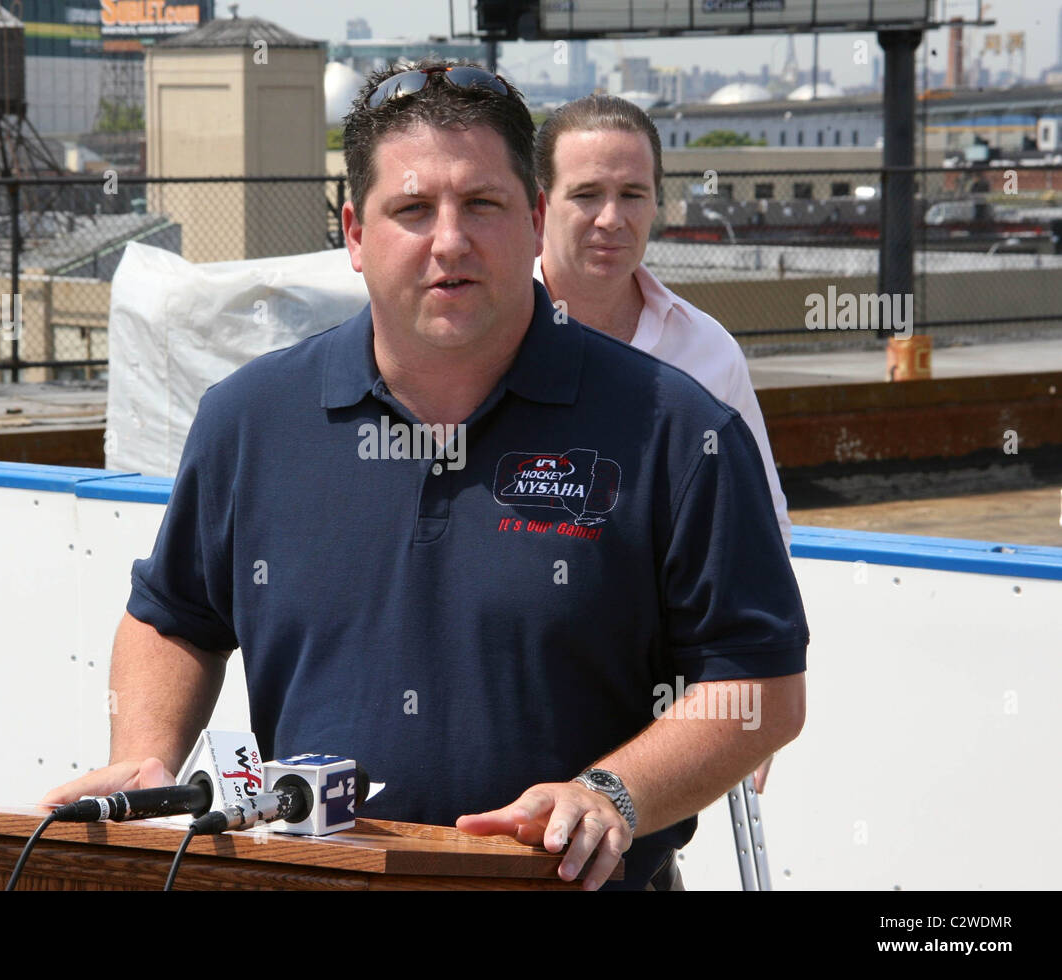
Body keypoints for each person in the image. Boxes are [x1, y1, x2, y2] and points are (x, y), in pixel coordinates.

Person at [43, 61, 808, 891]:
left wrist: (613, 794)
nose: (450, 241)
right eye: (412, 209)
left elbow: (761, 682)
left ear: (534, 218)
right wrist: (146, 758)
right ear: (355, 235)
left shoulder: (677, 427)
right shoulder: (249, 421)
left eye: (482, 204)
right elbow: (175, 620)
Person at [537, 95, 793, 793]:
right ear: (540, 205)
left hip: (663, 692)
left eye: (633, 195)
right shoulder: (486, 339)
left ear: (658, 206)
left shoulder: (708, 352)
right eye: (586, 194)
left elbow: (762, 528)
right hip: (528, 681)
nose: (611, 218)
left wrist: (752, 688)